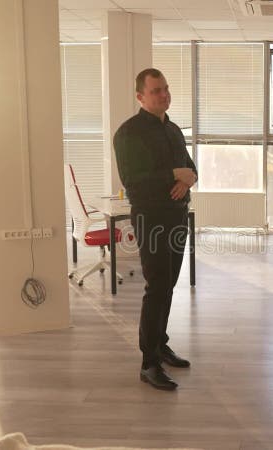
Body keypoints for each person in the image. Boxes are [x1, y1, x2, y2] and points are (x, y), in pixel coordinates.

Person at [114, 68, 197, 391]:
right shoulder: (128, 134)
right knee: (156, 287)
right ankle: (148, 362)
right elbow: (132, 181)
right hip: (152, 219)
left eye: (165, 89)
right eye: (155, 91)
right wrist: (173, 175)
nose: (164, 95)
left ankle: (161, 344)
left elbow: (191, 168)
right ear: (140, 97)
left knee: (169, 285)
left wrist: (186, 176)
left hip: (178, 216)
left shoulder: (174, 130)